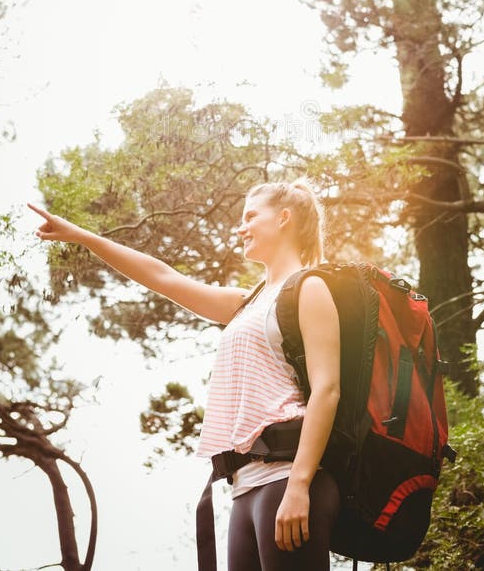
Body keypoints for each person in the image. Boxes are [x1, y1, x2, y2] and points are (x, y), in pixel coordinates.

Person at [28, 178, 341, 571]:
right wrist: (82, 237)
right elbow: (162, 277)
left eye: (250, 216)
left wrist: (299, 484)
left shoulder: (311, 288)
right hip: (244, 488)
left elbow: (327, 390)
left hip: (288, 478)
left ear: (283, 218)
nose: (240, 227)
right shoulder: (247, 303)